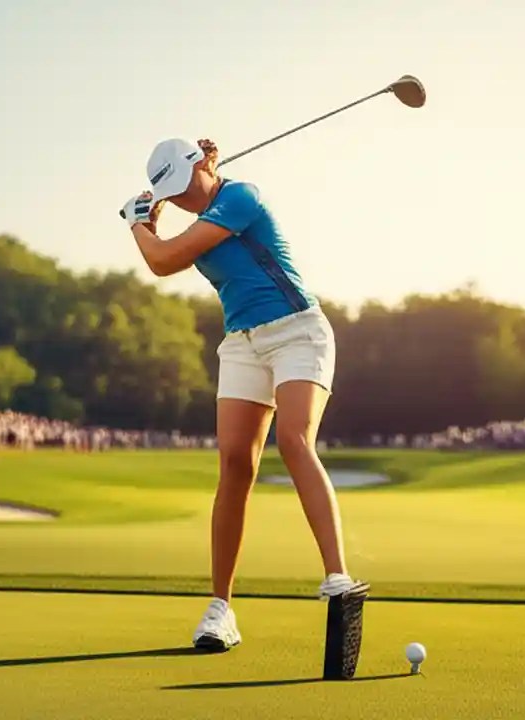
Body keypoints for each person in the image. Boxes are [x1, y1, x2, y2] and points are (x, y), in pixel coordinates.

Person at [120, 137, 364, 651]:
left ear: (205, 165)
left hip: (298, 330)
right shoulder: (199, 217)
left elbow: (165, 259)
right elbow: (163, 262)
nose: (184, 198)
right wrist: (146, 221)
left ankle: (337, 577)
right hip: (242, 343)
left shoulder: (241, 197)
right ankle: (221, 609)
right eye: (173, 194)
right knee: (234, 463)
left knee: (294, 440)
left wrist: (140, 221)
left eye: (186, 185)